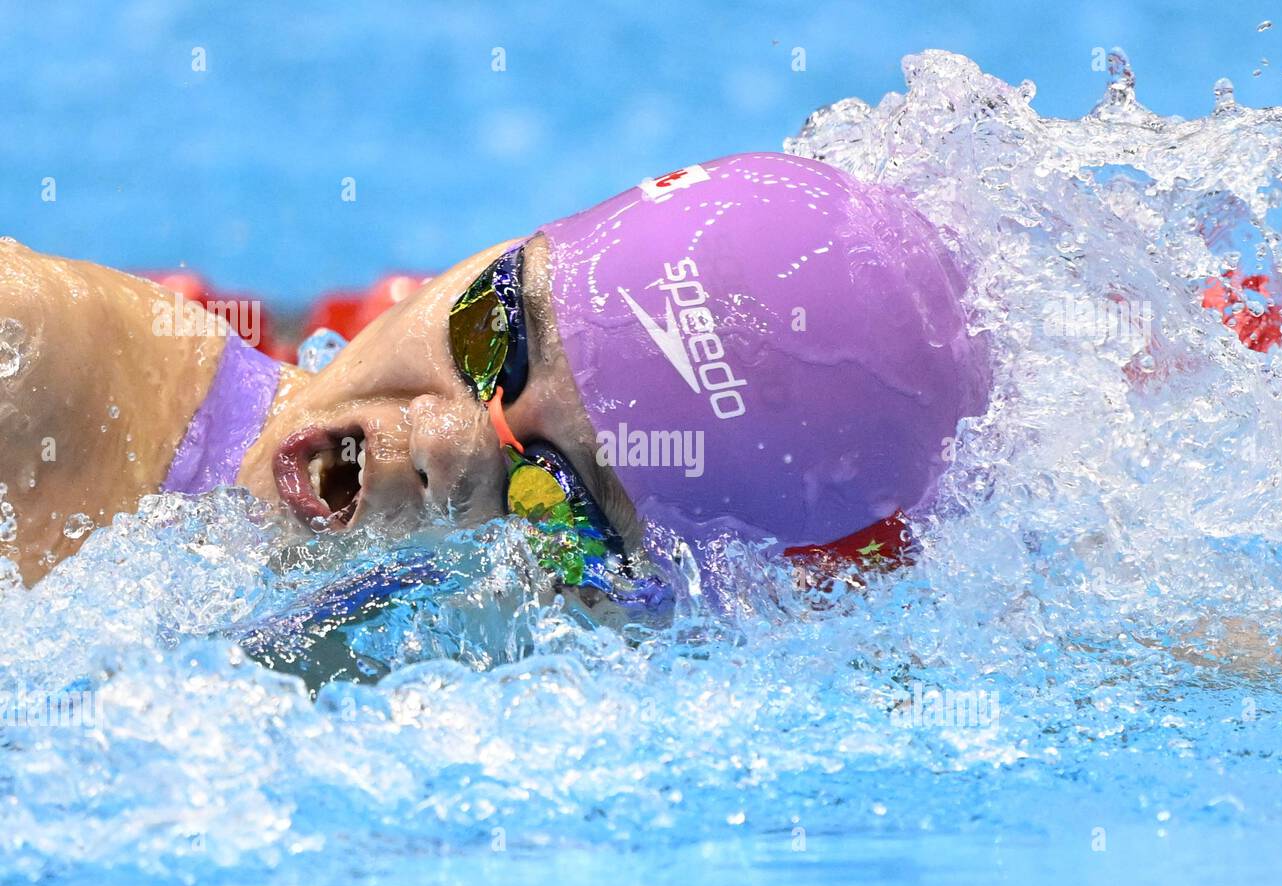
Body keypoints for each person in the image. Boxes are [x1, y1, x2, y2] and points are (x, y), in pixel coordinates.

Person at [0, 152, 988, 600]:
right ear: (496, 253)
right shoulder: (43, 372)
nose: (444, 445)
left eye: (554, 489)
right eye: (492, 334)